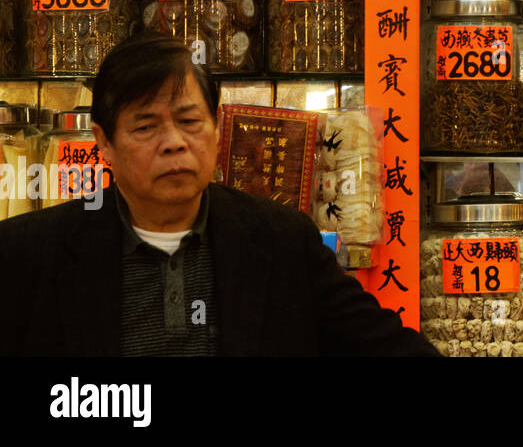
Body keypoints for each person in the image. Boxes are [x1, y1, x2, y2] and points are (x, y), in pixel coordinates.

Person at [0, 33, 435, 356]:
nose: (173, 142)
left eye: (190, 121)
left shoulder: (282, 241)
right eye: (146, 126)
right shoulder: (29, 254)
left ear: (217, 127)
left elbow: (386, 348)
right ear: (105, 143)